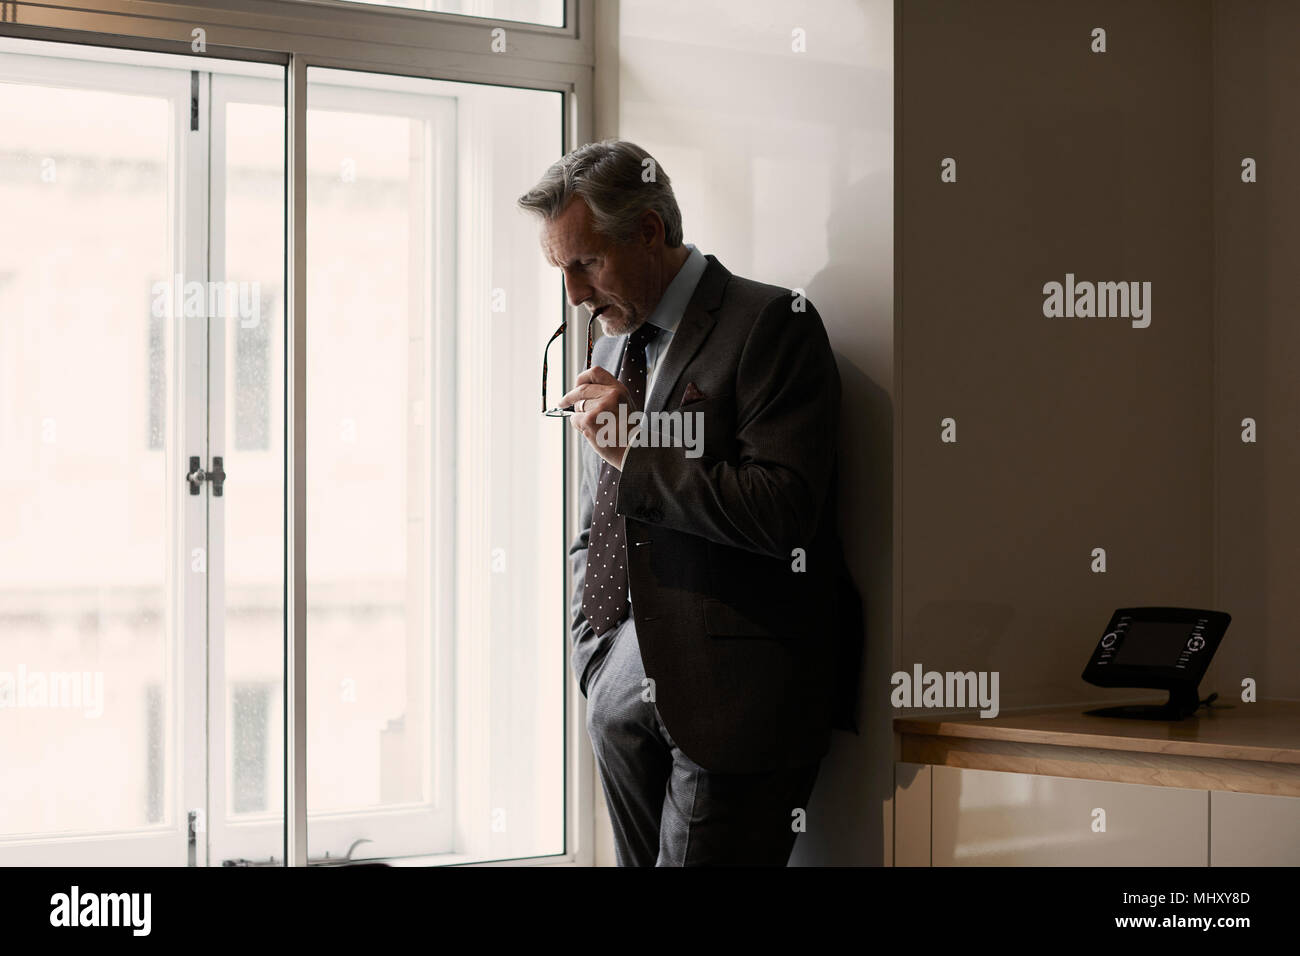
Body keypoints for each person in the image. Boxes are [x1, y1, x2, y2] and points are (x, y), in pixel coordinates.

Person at [517, 139, 860, 866]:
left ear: (648, 231)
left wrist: (638, 451)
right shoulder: (609, 348)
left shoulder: (771, 324)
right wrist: (593, 652)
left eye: (586, 263)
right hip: (618, 686)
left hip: (736, 697)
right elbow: (597, 520)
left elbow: (784, 512)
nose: (574, 293)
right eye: (561, 269)